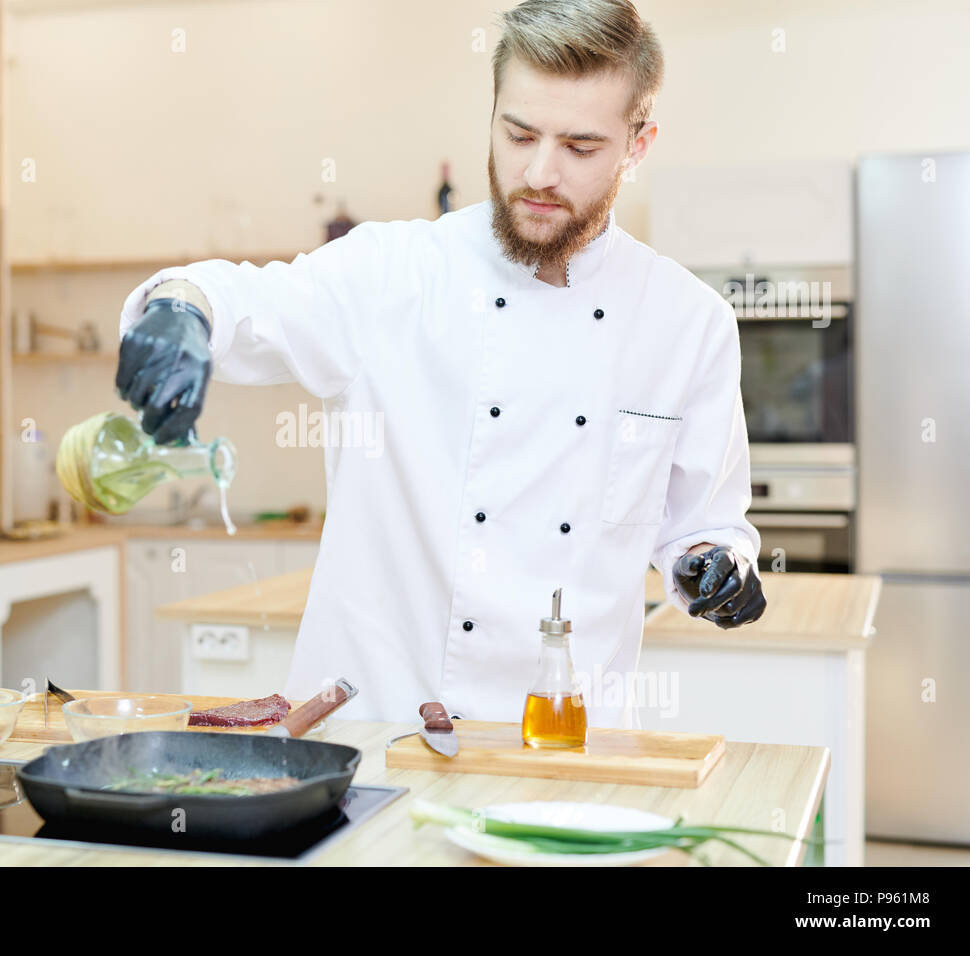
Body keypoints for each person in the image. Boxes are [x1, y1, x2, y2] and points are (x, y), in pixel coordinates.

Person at [114, 0, 765, 726]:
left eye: (581, 146)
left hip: (564, 742)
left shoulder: (688, 320)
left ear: (638, 145)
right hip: (371, 736)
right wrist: (181, 309)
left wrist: (715, 566)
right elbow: (246, 296)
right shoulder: (394, 272)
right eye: (519, 134)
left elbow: (703, 525)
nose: (540, 173)